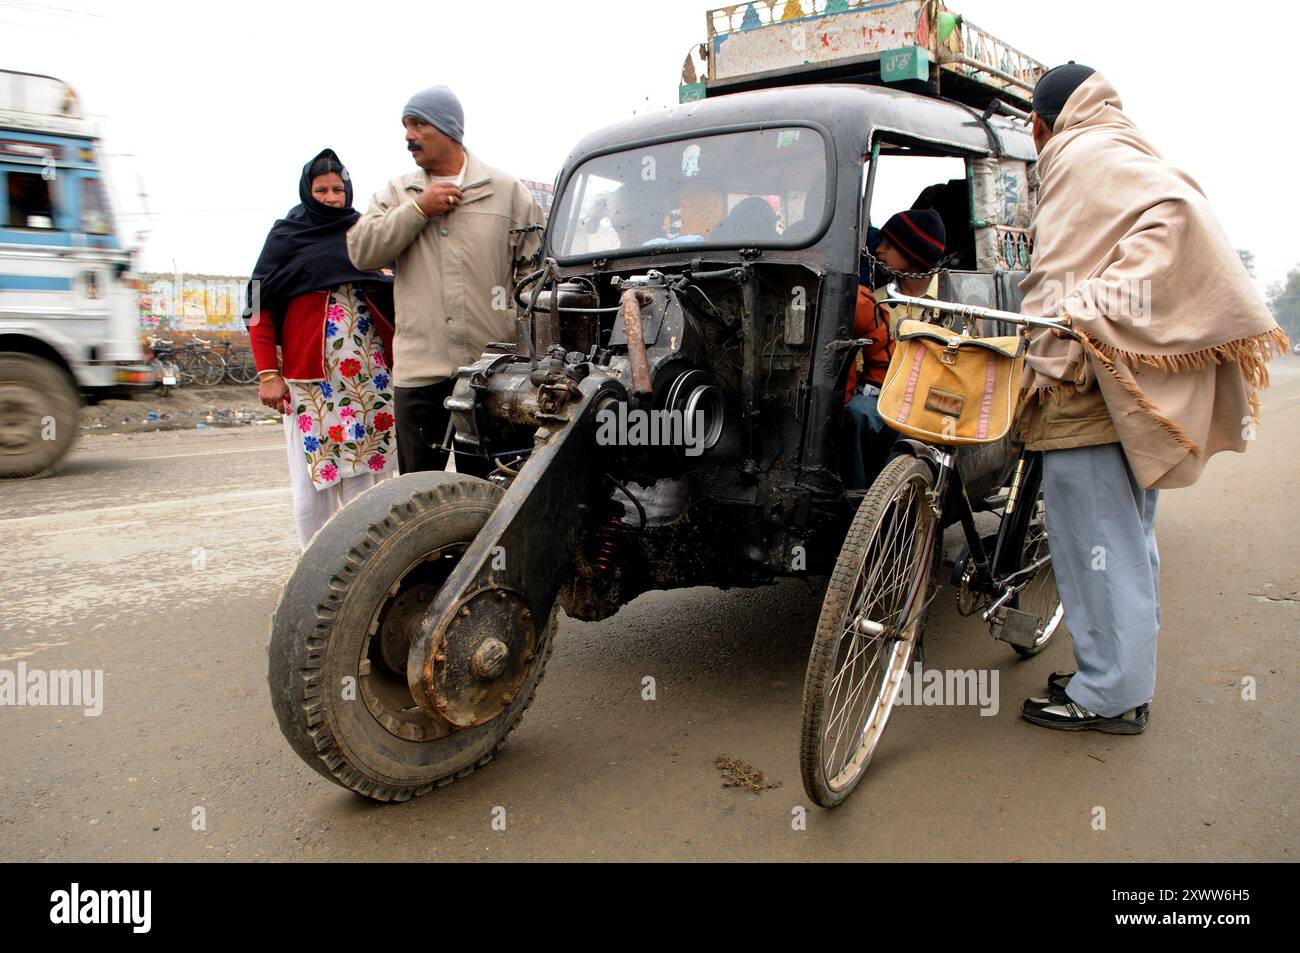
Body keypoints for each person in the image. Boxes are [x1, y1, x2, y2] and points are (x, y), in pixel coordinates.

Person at [1015, 65, 1288, 733]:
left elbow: (1165, 225)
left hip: (1089, 393)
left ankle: (1108, 693)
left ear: (1040, 125)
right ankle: (1114, 670)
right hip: (1120, 387)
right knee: (1124, 542)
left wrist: (1087, 310)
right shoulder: (1122, 144)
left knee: (1095, 545)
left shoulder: (1076, 154)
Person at [347, 85, 543, 476]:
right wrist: (418, 210)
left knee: (493, 487)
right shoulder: (397, 194)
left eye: (418, 124)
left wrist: (511, 325)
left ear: (448, 128)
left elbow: (534, 275)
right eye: (405, 125)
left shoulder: (506, 193)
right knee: (420, 490)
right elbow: (362, 251)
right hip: (421, 370)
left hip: (493, 371)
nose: (408, 135)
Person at [246, 149, 398, 551]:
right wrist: (267, 373)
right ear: (307, 191)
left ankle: (371, 563)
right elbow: (259, 308)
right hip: (311, 384)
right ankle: (317, 567)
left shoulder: (366, 233)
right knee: (313, 484)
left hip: (371, 380)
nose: (332, 197)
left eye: (338, 189)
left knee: (371, 477)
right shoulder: (286, 238)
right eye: (322, 189)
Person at [841, 208, 946, 489]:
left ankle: (904, 503)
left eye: (889, 244)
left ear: (912, 254)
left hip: (934, 399)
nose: (879, 248)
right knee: (856, 413)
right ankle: (860, 502)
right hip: (885, 394)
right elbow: (863, 361)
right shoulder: (876, 301)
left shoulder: (952, 300)